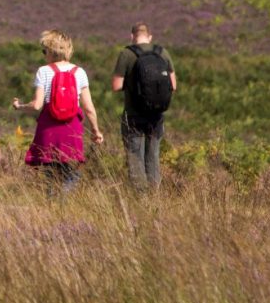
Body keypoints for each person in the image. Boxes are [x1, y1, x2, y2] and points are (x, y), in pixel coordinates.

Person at [12, 29, 103, 189]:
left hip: (49, 129)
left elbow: (37, 105)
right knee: (72, 171)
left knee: (51, 175)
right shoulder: (79, 72)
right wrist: (96, 130)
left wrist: (20, 106)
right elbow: (88, 108)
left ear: (51, 51)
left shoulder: (44, 71)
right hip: (72, 129)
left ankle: (55, 199)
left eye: (44, 51)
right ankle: (65, 195)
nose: (44, 54)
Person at [111, 22, 178, 192]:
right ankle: (155, 195)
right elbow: (173, 85)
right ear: (150, 36)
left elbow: (116, 86)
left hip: (133, 115)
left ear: (131, 36)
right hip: (156, 116)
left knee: (135, 157)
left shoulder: (126, 53)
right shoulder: (162, 52)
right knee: (153, 157)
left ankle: (141, 198)